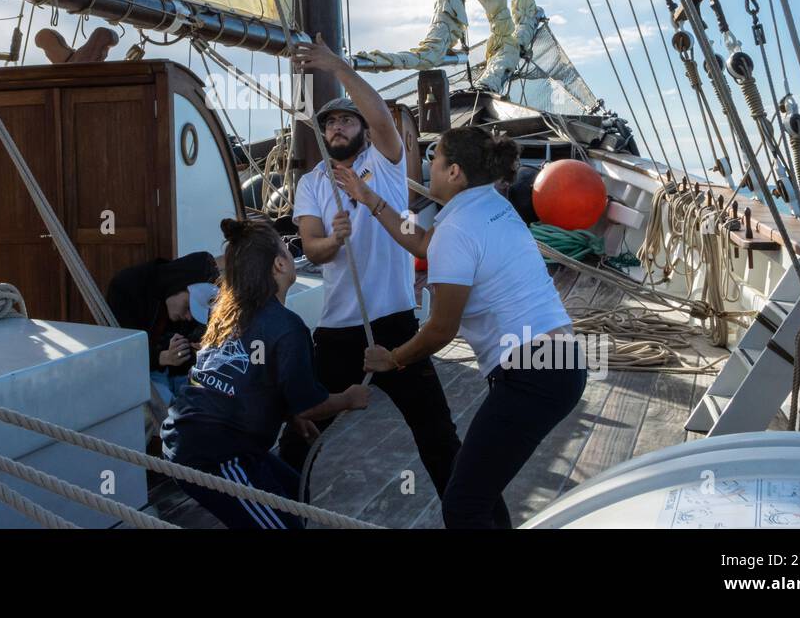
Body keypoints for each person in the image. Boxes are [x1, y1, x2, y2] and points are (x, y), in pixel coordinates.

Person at [335, 125, 587, 529]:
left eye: (434, 160)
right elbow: (421, 244)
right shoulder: (487, 204)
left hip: (534, 375)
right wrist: (369, 199)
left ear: (454, 172)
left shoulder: (456, 228)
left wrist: (392, 360)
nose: (429, 167)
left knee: (463, 503)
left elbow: (441, 329)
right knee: (477, 495)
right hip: (558, 362)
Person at [277, 33, 460, 498]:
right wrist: (331, 242)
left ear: (360, 128)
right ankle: (279, 511)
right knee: (301, 431)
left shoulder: (385, 163)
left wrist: (335, 65)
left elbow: (380, 115)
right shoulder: (313, 183)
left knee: (437, 436)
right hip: (339, 329)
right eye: (330, 122)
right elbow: (313, 249)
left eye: (345, 120)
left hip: (396, 323)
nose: (337, 127)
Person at [161, 218, 371, 529]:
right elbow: (311, 406)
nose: (289, 253)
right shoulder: (287, 327)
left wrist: (292, 414)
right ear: (279, 265)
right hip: (212, 452)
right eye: (287, 250)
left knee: (293, 494)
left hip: (189, 433)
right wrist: (349, 398)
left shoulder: (226, 311)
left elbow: (248, 380)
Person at [106, 251, 220, 406]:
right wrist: (163, 357)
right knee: (163, 404)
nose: (188, 317)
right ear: (178, 285)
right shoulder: (127, 288)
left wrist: (195, 349)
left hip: (175, 372)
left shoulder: (180, 304)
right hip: (140, 372)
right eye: (187, 307)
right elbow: (121, 353)